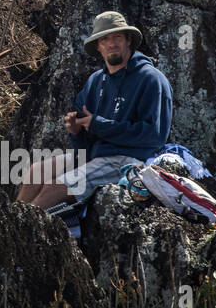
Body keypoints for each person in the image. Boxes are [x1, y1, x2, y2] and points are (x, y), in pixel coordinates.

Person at [16, 11, 172, 208]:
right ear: (98, 46)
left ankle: (22, 229)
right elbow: (85, 144)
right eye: (105, 39)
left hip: (128, 159)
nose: (111, 43)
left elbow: (154, 136)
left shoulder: (151, 79)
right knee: (37, 171)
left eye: (117, 37)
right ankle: (12, 224)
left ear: (128, 40)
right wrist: (76, 132)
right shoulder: (95, 81)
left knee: (55, 187)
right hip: (95, 155)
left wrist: (98, 124)